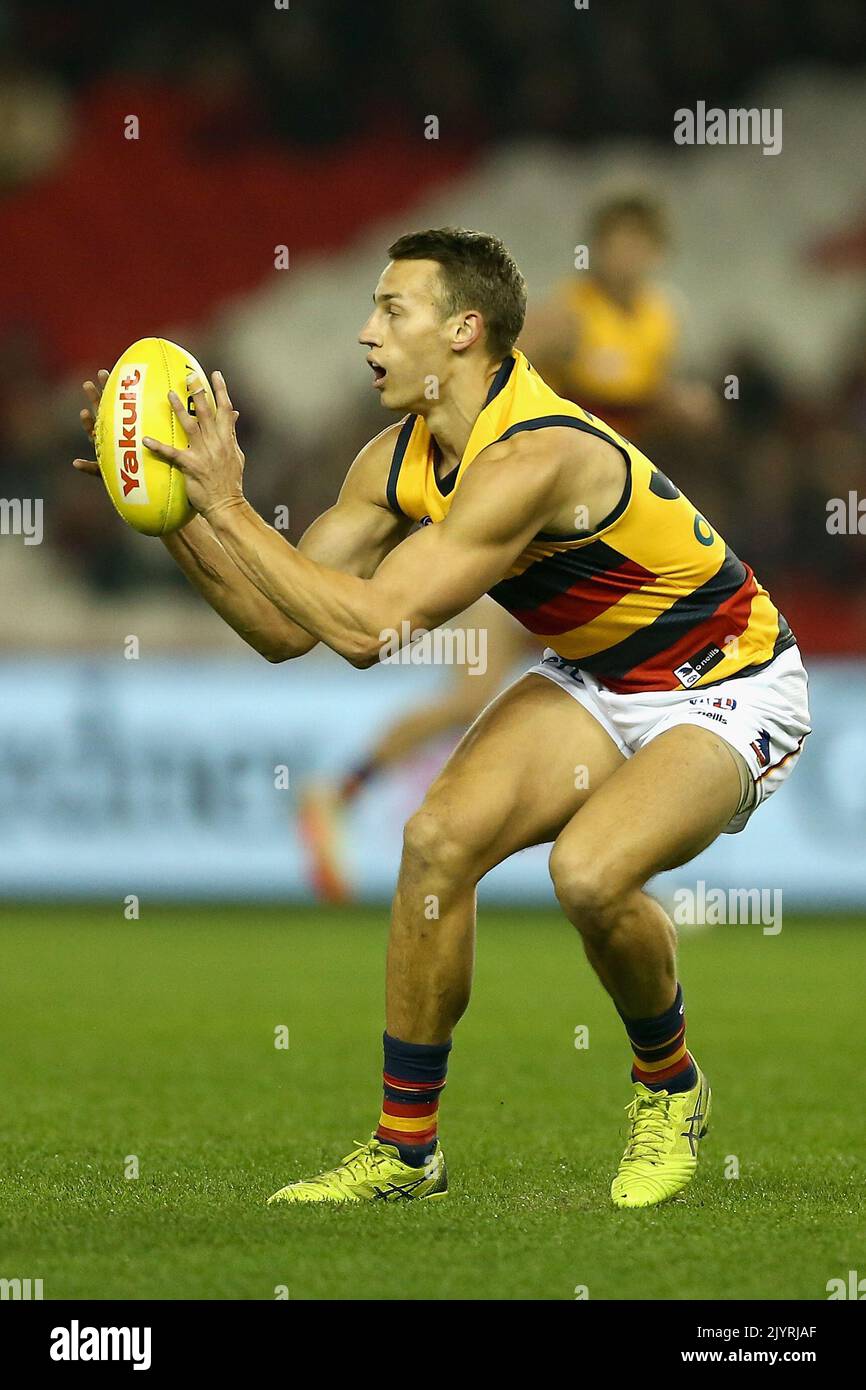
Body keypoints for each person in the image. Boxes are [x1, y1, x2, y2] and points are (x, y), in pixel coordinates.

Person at [75, 227, 810, 1209]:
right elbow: (284, 628)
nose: (365, 331)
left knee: (588, 874)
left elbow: (372, 629)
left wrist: (231, 506)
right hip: (598, 677)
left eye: (391, 309)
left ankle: (667, 1086)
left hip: (731, 682)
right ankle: (405, 1149)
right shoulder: (398, 458)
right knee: (435, 842)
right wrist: (174, 514)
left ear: (464, 330)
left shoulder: (533, 457)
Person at [522, 193, 717, 440]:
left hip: (638, 441)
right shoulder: (567, 311)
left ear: (658, 253)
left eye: (638, 245)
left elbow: (659, 385)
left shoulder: (663, 312)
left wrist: (685, 401)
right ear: (597, 248)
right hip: (575, 437)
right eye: (619, 244)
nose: (628, 258)